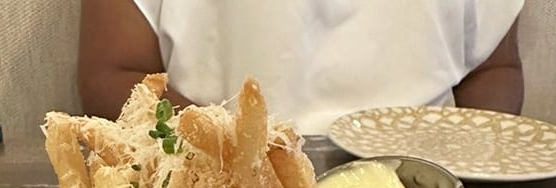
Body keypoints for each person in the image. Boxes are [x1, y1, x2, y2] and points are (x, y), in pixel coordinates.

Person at [78, 0, 524, 133]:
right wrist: (226, 155)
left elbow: (495, 70)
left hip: (428, 185)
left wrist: (462, 159)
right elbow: (114, 74)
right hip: (220, 182)